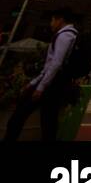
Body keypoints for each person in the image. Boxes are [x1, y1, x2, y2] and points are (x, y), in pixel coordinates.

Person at [3, 8, 81, 141]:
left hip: (52, 83)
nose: (51, 23)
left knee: (20, 115)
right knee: (48, 120)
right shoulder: (70, 35)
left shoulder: (65, 35)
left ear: (60, 20)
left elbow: (56, 63)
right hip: (54, 82)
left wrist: (40, 87)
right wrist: (34, 82)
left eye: (52, 20)